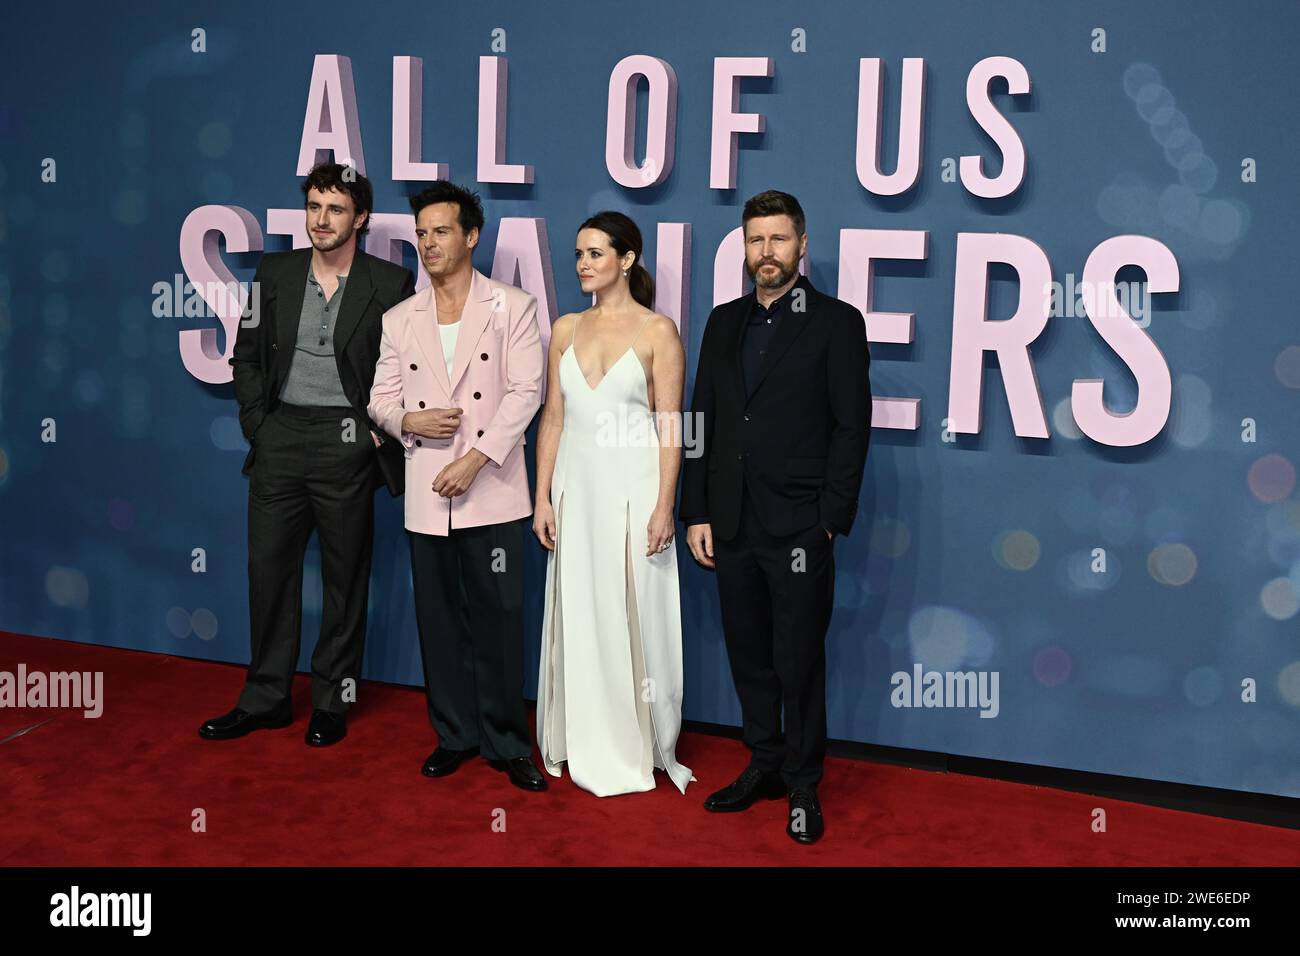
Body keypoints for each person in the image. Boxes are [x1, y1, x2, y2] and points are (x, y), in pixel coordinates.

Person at [200, 162, 416, 747]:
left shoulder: (391, 284)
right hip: (279, 439)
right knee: (269, 575)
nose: (322, 220)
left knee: (347, 582)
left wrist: (378, 432)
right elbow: (244, 356)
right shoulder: (274, 271)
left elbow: (409, 371)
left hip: (347, 441)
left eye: (336, 209)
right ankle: (266, 698)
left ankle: (332, 701)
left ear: (361, 217)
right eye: (315, 207)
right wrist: (257, 425)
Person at [680, 190, 872, 843]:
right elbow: (700, 419)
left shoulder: (835, 323)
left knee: (798, 659)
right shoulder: (722, 321)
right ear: (744, 246)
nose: (766, 252)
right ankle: (762, 762)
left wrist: (829, 519)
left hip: (798, 526)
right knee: (749, 654)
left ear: (802, 246)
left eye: (778, 240)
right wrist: (697, 509)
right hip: (730, 521)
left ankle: (802, 783)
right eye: (755, 240)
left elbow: (852, 429)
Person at [367, 181, 548, 791]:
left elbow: (527, 393)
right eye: (421, 233)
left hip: (491, 488)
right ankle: (453, 735)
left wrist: (476, 459)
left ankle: (507, 743)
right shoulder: (400, 318)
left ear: (472, 236)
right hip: (426, 492)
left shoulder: (512, 307)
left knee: (498, 619)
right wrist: (405, 421)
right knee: (439, 621)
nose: (428, 243)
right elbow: (379, 399)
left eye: (440, 231)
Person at [532, 210, 695, 797]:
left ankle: (638, 742)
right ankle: (577, 734)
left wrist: (664, 506)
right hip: (576, 491)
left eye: (595, 253)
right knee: (579, 611)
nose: (583, 264)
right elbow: (553, 416)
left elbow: (673, 425)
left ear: (627, 260)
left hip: (633, 491)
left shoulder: (659, 332)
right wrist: (542, 497)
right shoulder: (565, 328)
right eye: (578, 254)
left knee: (634, 615)